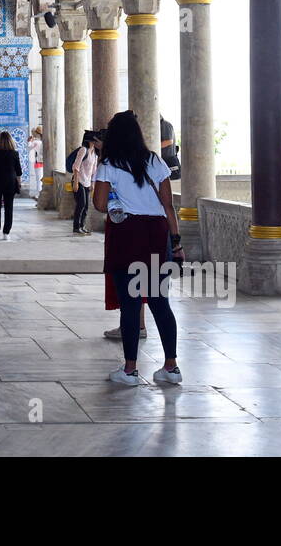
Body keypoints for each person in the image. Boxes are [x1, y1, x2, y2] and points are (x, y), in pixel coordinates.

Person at [90, 110, 182, 386]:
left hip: (127, 233)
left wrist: (119, 200)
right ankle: (171, 367)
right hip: (156, 233)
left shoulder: (109, 165)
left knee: (130, 305)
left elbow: (99, 204)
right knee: (159, 302)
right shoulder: (153, 160)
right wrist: (175, 241)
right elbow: (168, 205)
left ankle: (130, 370)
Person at [69, 130, 100, 235]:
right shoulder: (83, 150)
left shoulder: (95, 153)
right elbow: (76, 167)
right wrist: (76, 182)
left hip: (87, 182)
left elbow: (94, 170)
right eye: (94, 141)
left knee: (86, 206)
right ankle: (76, 227)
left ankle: (82, 226)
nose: (96, 142)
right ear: (89, 141)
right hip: (79, 180)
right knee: (81, 204)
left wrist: (92, 183)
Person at [159, 116, 181, 181]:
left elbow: (168, 141)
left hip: (169, 160)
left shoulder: (165, 124)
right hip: (163, 160)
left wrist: (151, 148)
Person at [27, 127, 43, 198]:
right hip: (42, 162)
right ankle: (39, 194)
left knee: (38, 179)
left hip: (38, 162)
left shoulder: (36, 142)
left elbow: (29, 147)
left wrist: (29, 141)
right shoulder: (41, 141)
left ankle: (39, 195)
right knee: (41, 179)